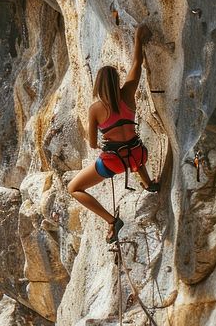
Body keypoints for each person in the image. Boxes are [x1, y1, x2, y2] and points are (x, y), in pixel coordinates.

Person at [68, 25, 159, 243]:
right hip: (138, 155)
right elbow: (137, 64)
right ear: (117, 81)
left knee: (74, 188)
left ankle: (112, 222)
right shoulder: (128, 94)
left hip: (114, 163)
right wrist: (138, 38)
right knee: (131, 148)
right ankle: (148, 183)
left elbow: (92, 143)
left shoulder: (95, 110)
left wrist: (104, 141)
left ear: (98, 86)